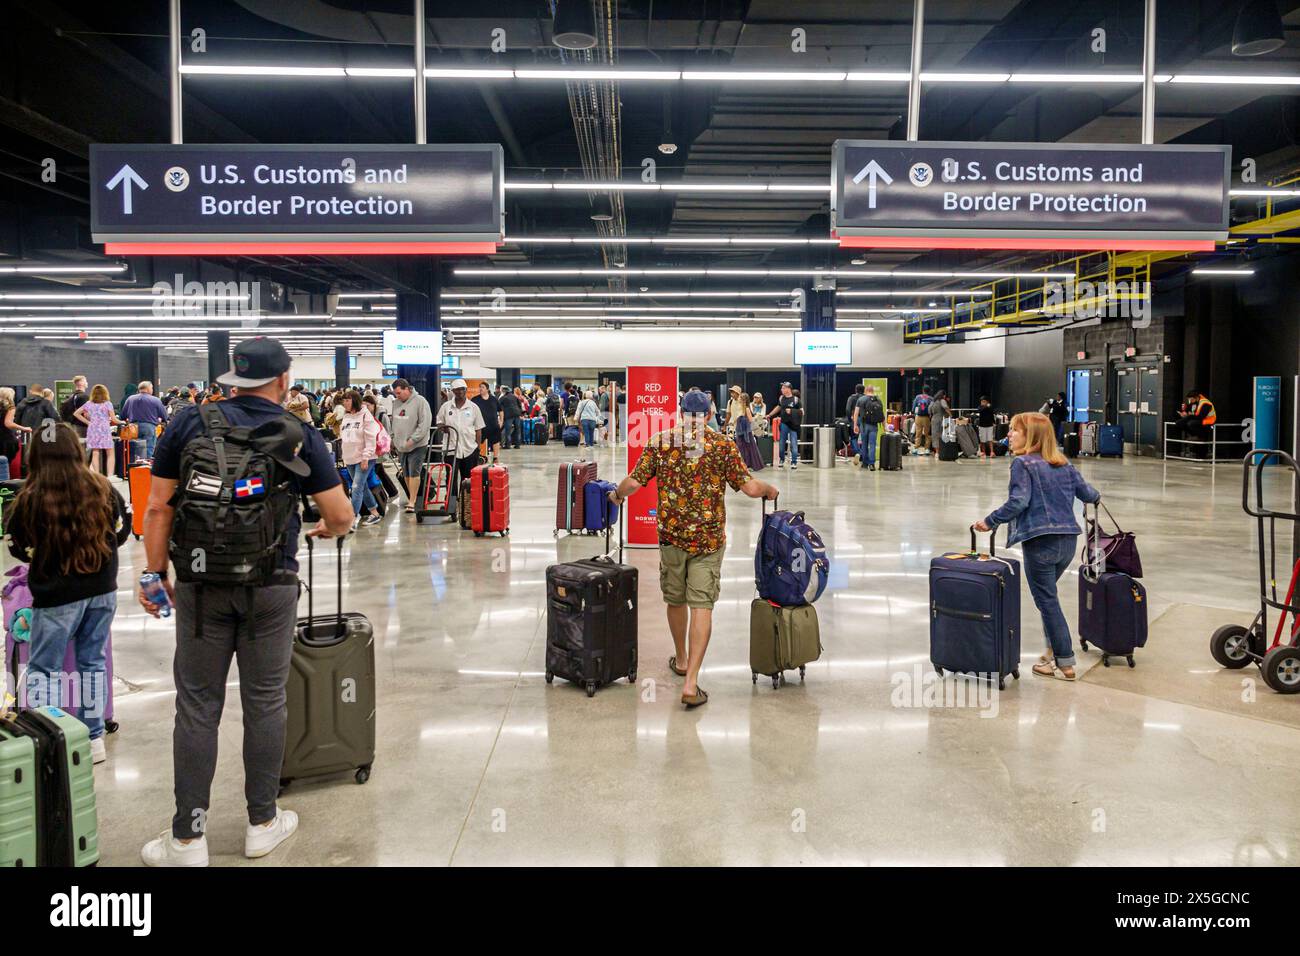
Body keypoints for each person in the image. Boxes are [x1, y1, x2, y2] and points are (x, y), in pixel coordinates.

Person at [136, 337, 353, 867]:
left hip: (199, 586)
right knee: (265, 701)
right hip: (271, 584)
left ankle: (187, 839)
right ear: (282, 380)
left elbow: (159, 507)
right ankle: (261, 823)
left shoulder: (187, 423)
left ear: (232, 378)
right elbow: (341, 513)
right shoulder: (298, 433)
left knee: (197, 706)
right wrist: (323, 528)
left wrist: (153, 574)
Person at [610, 389, 778, 708]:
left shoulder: (662, 442)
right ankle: (691, 682)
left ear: (680, 412)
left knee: (675, 599)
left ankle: (683, 658)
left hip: (671, 537)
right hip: (708, 539)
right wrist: (769, 489)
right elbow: (750, 487)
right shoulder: (722, 445)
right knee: (702, 604)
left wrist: (617, 496)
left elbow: (634, 482)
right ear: (711, 413)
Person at [5, 424, 128, 765]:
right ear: (78, 450)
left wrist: (44, 556)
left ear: (36, 456)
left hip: (56, 597)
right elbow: (122, 532)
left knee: (45, 670)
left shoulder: (28, 499)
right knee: (92, 663)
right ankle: (93, 739)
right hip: (103, 591)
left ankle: (52, 742)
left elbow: (17, 546)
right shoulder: (103, 489)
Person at [974, 411, 1100, 683]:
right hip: (1067, 541)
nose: (1008, 434)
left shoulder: (1023, 464)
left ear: (1030, 435)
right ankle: (1051, 651)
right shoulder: (1064, 464)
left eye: (1013, 430)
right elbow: (1090, 494)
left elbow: (1018, 502)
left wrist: (990, 521)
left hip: (1040, 542)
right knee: (1049, 598)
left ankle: (1064, 662)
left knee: (1047, 601)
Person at [435, 378, 484, 524]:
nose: (460, 392)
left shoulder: (473, 407)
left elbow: (478, 428)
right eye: (457, 390)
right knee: (450, 479)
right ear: (453, 391)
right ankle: (451, 505)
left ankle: (467, 505)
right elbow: (439, 422)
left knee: (468, 479)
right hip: (451, 448)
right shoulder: (446, 407)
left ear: (466, 390)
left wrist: (478, 446)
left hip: (469, 449)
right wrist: (443, 426)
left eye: (463, 389)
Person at [338, 390, 383, 529]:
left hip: (365, 458)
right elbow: (344, 437)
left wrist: (365, 458)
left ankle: (352, 519)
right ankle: (374, 513)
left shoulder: (365, 416)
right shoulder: (346, 417)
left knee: (356, 487)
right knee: (361, 486)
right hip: (350, 458)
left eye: (348, 400)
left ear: (355, 401)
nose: (345, 403)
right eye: (343, 401)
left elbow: (370, 439)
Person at [390, 378, 432, 514]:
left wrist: (413, 439)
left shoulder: (420, 401)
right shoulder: (396, 403)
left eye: (399, 393)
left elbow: (424, 424)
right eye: (395, 393)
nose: (397, 396)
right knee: (406, 474)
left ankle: (412, 501)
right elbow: (394, 422)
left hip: (417, 445)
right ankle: (411, 497)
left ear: (407, 389)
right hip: (401, 445)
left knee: (414, 472)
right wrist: (393, 438)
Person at [74, 384, 122, 480]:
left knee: (95, 452)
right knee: (110, 451)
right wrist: (122, 422)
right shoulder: (108, 404)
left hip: (93, 429)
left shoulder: (88, 404)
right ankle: (110, 476)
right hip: (104, 429)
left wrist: (88, 422)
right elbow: (113, 419)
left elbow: (76, 413)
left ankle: (97, 475)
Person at [121, 381, 169, 461]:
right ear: (148, 389)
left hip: (133, 428)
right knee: (148, 449)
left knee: (133, 449)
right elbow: (164, 416)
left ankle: (133, 468)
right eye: (152, 388)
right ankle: (145, 470)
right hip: (149, 427)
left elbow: (123, 415)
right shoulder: (155, 400)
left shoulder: (130, 399)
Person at [766, 382, 802, 470]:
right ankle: (781, 460)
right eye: (781, 388)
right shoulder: (781, 398)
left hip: (793, 425)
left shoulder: (796, 400)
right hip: (784, 423)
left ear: (788, 389)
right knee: (781, 443)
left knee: (794, 443)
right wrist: (769, 415)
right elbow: (778, 407)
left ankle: (794, 462)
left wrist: (792, 411)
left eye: (783, 388)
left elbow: (802, 412)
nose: (781, 389)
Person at [1172, 389, 1217, 457]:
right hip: (1201, 422)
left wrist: (1189, 416)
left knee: (1191, 423)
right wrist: (1186, 415)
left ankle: (1198, 437)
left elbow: (1201, 416)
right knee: (1183, 423)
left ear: (1196, 397)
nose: (1190, 401)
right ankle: (1195, 436)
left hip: (1208, 423)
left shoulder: (1205, 403)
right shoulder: (1197, 403)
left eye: (1191, 399)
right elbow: (1195, 414)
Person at [854, 384, 885, 471]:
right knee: (872, 444)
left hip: (864, 425)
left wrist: (855, 425)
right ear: (873, 390)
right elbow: (881, 415)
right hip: (874, 426)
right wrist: (884, 427)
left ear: (866, 390)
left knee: (864, 444)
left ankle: (865, 463)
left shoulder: (861, 399)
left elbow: (856, 413)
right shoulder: (878, 399)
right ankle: (872, 464)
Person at [734, 392, 765, 472]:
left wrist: (756, 429)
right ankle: (742, 464)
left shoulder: (747, 409)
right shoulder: (739, 408)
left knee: (748, 447)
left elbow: (751, 420)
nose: (739, 399)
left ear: (744, 400)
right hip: (740, 430)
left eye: (740, 398)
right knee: (740, 447)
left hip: (746, 431)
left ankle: (748, 464)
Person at [472, 381, 503, 464]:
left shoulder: (494, 399)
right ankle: (476, 456)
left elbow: (500, 411)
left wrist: (501, 421)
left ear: (487, 389)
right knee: (476, 442)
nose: (480, 389)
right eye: (480, 387)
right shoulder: (475, 399)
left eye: (482, 387)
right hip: (480, 426)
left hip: (493, 425)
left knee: (496, 442)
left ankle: (495, 458)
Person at [0, 387, 21, 476]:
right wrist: (24, 428)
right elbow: (8, 423)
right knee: (5, 463)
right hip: (6, 439)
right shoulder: (10, 407)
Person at [577, 389, 602, 457]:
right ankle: (591, 445)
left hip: (584, 419)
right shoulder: (593, 403)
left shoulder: (582, 402)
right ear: (591, 396)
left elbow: (578, 411)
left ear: (585, 395)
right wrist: (599, 418)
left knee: (586, 432)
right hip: (592, 420)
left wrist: (576, 418)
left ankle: (587, 444)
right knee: (591, 432)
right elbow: (597, 411)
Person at [912, 387, 933, 455]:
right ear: (929, 391)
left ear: (923, 390)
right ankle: (926, 449)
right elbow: (932, 408)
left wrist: (914, 412)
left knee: (918, 433)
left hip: (918, 417)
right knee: (927, 434)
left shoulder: (918, 397)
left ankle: (916, 448)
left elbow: (914, 406)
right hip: (926, 418)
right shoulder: (930, 398)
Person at [846, 384, 866, 460]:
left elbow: (848, 409)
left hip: (855, 419)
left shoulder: (852, 398)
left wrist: (850, 420)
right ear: (864, 390)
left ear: (856, 390)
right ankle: (864, 455)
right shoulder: (866, 398)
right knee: (865, 438)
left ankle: (858, 453)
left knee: (853, 438)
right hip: (865, 420)